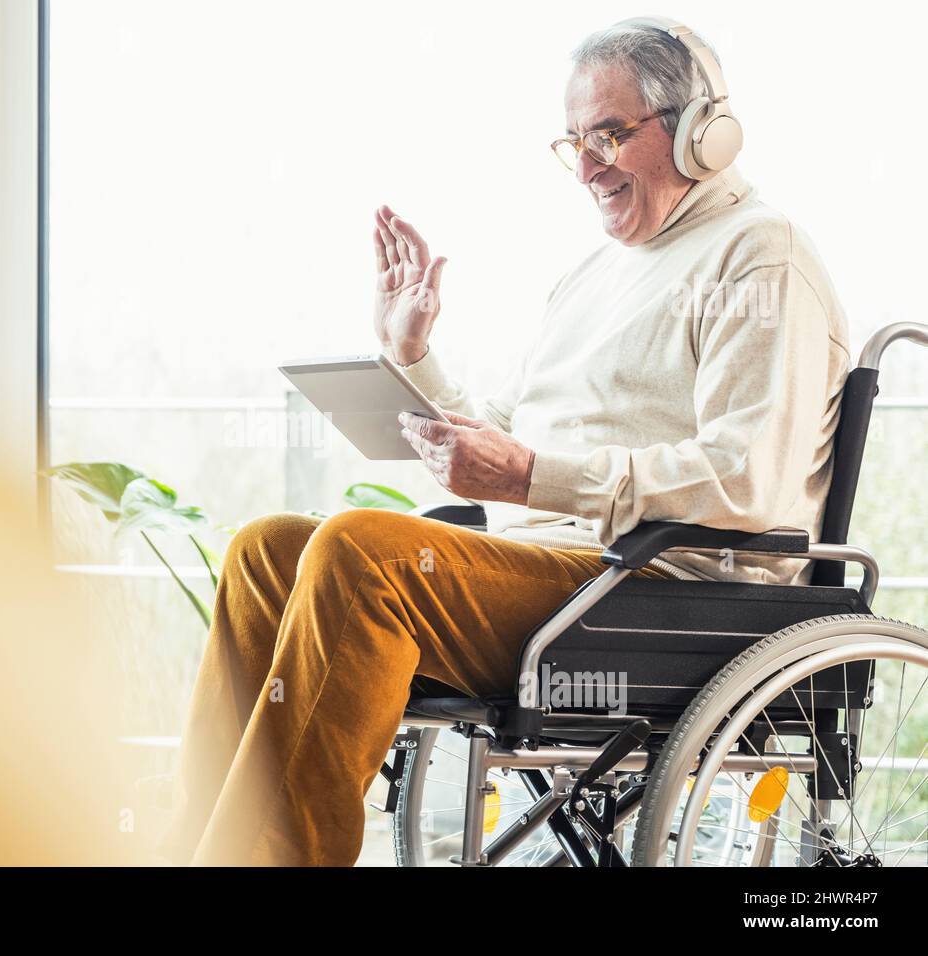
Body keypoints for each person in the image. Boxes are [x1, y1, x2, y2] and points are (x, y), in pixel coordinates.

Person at [161, 16, 850, 866]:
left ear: (702, 130)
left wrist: (532, 477)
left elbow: (746, 483)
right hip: (557, 578)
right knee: (266, 550)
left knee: (363, 553)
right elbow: (518, 443)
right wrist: (413, 361)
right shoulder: (595, 274)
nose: (589, 164)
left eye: (609, 133)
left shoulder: (760, 257)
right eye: (575, 142)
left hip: (662, 592)